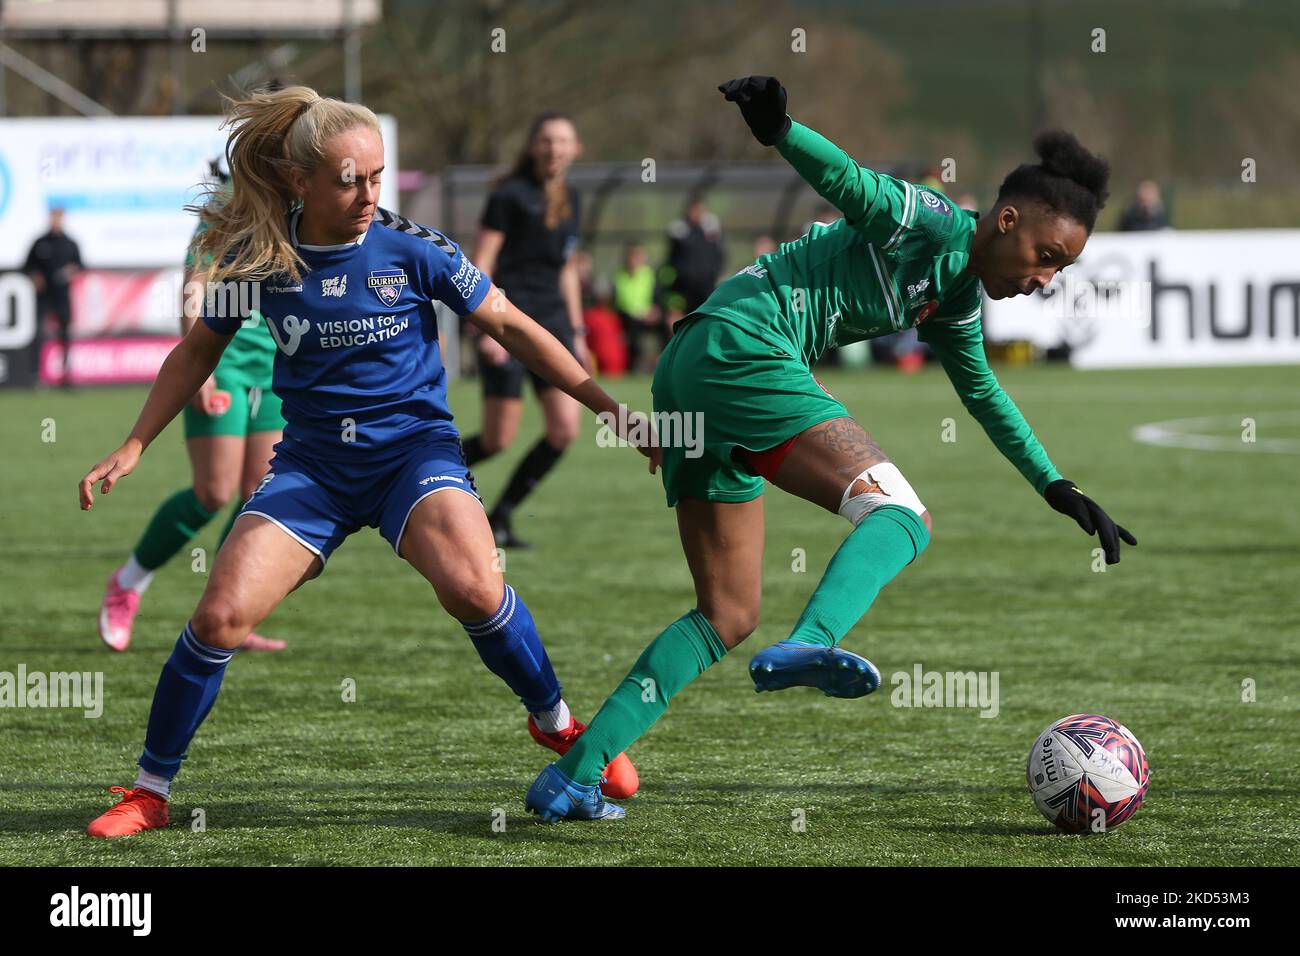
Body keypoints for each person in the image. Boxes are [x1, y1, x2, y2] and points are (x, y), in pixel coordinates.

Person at [525, 76, 1137, 822]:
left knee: (726, 613)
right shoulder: (933, 221)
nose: (1044, 279)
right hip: (747, 349)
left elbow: (984, 395)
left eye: (1060, 271)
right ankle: (811, 640)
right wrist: (781, 129)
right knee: (903, 515)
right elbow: (851, 185)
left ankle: (575, 776)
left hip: (691, 367)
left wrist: (1056, 484)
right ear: (1006, 220)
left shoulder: (953, 296)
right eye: (1046, 256)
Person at [79, 85, 653, 837]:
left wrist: (614, 410)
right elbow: (195, 355)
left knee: (477, 587)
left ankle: (558, 725)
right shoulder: (260, 258)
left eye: (376, 177)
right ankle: (150, 793)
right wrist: (132, 445)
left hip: (413, 456)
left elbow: (512, 327)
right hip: (312, 469)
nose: (367, 194)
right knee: (219, 616)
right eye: (349, 180)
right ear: (301, 181)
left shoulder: (414, 248)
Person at [97, 157, 287, 654]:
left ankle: (223, 613)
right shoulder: (227, 202)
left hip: (275, 368)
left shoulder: (304, 201)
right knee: (214, 491)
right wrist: (198, 368)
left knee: (257, 494)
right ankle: (128, 583)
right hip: (221, 359)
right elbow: (196, 283)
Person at [458, 112, 587, 549]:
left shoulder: (572, 197)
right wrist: (486, 328)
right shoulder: (508, 196)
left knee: (565, 429)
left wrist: (578, 331)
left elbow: (568, 268)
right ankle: (412, 476)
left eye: (563, 141)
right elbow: (483, 260)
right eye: (547, 140)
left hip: (553, 324)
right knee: (496, 440)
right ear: (533, 146)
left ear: (576, 150)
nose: (555, 148)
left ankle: (502, 517)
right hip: (507, 322)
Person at [23, 206, 82, 388]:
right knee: (39, 334)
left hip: (62, 295)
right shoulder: (40, 242)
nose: (56, 220)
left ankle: (66, 376)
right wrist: (35, 277)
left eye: (59, 217)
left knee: (65, 336)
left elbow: (80, 266)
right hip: (43, 296)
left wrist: (71, 272)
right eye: (53, 217)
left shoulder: (70, 243)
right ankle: (36, 376)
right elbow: (27, 266)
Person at [660, 198, 724, 319]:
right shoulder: (680, 234)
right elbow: (672, 259)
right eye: (694, 211)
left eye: (700, 211)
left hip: (706, 287)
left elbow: (719, 256)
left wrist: (713, 273)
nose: (697, 214)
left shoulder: (711, 234)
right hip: (684, 288)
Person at [613, 242, 662, 373]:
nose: (634, 260)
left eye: (637, 256)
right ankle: (635, 365)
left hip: (649, 316)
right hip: (629, 318)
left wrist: (654, 310)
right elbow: (621, 303)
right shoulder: (619, 276)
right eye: (632, 257)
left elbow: (658, 297)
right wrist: (639, 313)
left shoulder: (650, 275)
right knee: (631, 331)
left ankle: (662, 362)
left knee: (669, 325)